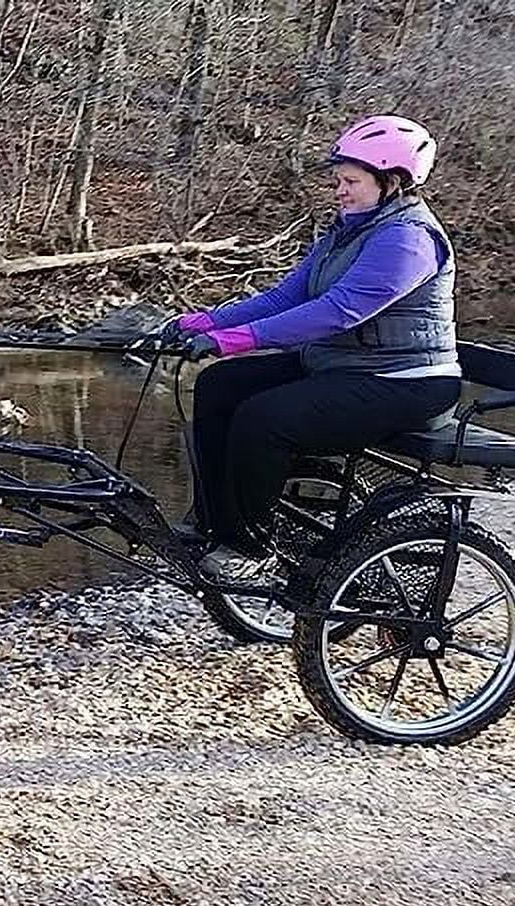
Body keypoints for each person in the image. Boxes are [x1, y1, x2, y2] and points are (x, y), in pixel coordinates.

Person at [163, 114, 463, 581]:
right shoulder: (347, 230)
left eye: (351, 181)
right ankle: (214, 521)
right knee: (220, 385)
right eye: (338, 180)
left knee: (264, 418)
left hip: (406, 382)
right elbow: (286, 297)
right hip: (345, 365)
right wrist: (203, 322)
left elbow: (337, 312)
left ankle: (249, 547)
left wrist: (233, 340)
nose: (339, 191)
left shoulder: (409, 240)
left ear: (392, 182)